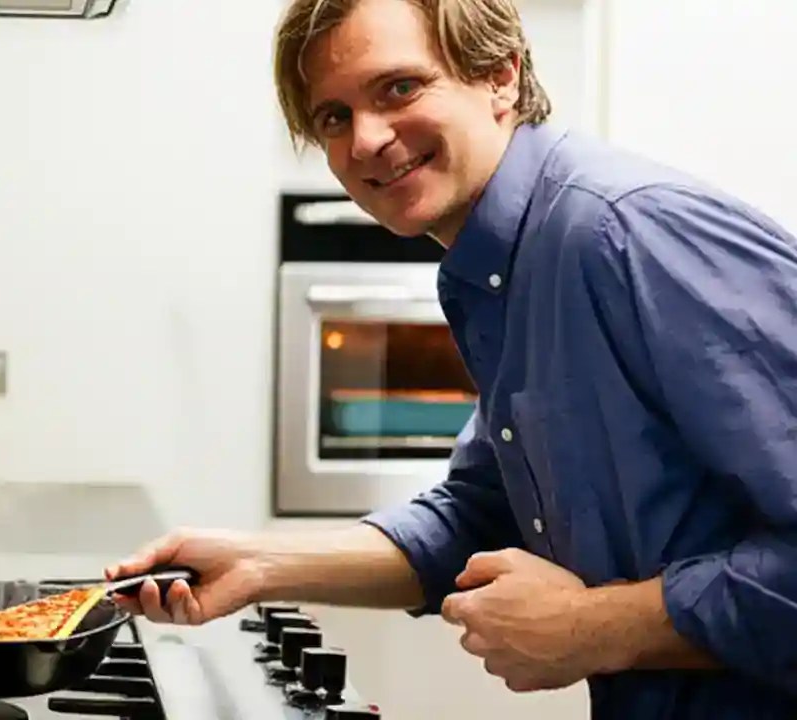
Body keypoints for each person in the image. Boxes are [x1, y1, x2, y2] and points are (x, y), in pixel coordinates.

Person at [103, 0, 797, 717]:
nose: (367, 140)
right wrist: (257, 565)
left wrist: (595, 626)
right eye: (334, 117)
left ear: (501, 77)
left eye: (399, 88)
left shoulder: (621, 232)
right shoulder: (500, 268)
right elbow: (479, 516)